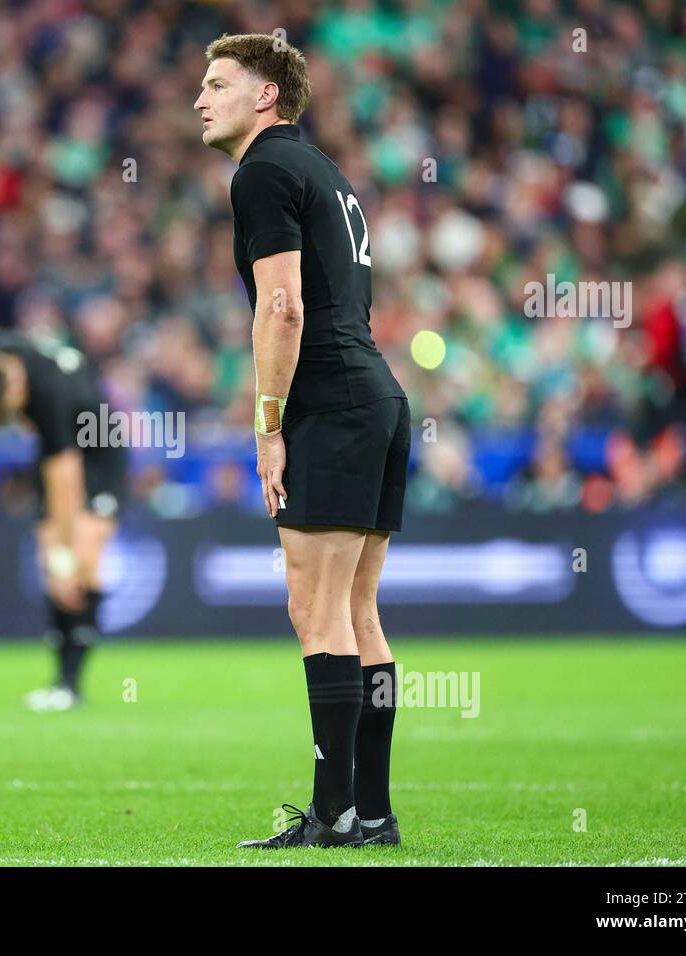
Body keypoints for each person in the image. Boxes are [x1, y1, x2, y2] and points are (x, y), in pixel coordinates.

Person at [196, 34, 410, 848]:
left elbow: (281, 307)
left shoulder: (262, 171)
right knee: (358, 611)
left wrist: (267, 427)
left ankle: (333, 814)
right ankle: (373, 812)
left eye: (218, 84)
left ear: (265, 97)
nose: (200, 98)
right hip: (376, 393)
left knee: (314, 608)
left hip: (332, 403)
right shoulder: (322, 170)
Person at [0, 322, 125, 712]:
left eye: (14, 414)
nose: (18, 419)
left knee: (80, 563)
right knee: (49, 560)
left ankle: (70, 685)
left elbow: (65, 483)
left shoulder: (50, 399)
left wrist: (64, 557)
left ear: (19, 390)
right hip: (59, 453)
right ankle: (60, 684)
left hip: (99, 450)